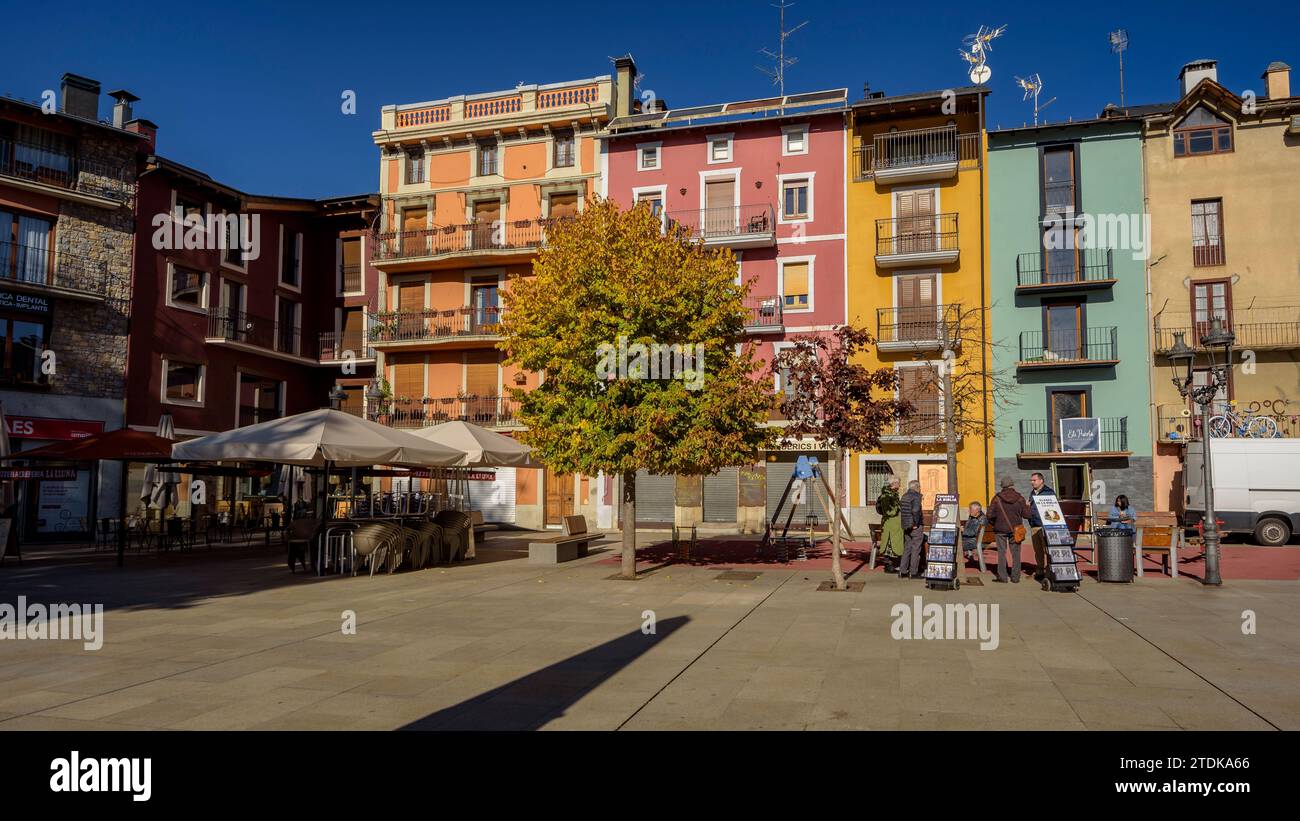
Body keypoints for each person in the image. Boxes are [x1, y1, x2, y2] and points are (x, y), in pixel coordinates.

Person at [988, 476, 1031, 583]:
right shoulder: (1020, 498)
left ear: (1002, 486)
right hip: (1016, 530)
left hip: (1000, 530)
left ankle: (1002, 577)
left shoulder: (997, 498)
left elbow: (989, 515)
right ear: (1012, 485)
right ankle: (1015, 577)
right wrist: (1028, 506)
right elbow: (1027, 515)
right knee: (1016, 554)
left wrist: (995, 524)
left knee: (1001, 553)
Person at [1027, 472, 1057, 581]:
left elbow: (1053, 509)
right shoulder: (1033, 493)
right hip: (1034, 525)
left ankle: (1050, 571)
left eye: (1034, 480)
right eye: (1031, 480)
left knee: (1047, 550)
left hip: (1045, 526)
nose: (1032, 482)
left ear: (1041, 481)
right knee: (1038, 551)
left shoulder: (1049, 492)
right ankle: (1039, 571)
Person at [875, 477, 904, 573]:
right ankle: (889, 566)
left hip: (894, 524)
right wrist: (897, 509)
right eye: (899, 483)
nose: (900, 485)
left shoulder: (893, 494)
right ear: (894, 484)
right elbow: (888, 511)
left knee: (894, 544)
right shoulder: (886, 496)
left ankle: (893, 565)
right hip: (890, 524)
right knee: (890, 544)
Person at [898, 479, 925, 579]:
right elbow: (916, 510)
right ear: (917, 487)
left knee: (907, 548)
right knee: (916, 548)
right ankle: (913, 572)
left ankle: (902, 571)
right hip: (914, 526)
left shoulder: (904, 496)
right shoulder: (917, 496)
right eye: (919, 487)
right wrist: (916, 523)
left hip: (906, 526)